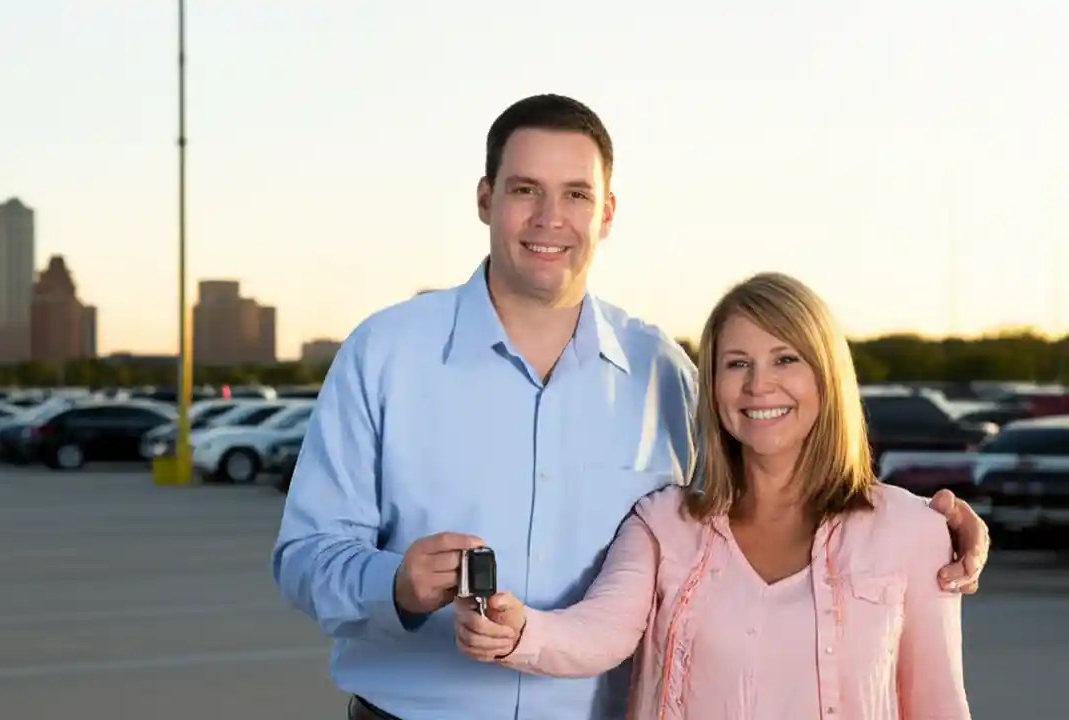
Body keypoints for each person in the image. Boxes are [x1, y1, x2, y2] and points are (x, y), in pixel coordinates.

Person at [272, 94, 988, 720]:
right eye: (526, 190)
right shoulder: (385, 355)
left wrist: (929, 531)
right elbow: (304, 557)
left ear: (607, 211)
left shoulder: (663, 374)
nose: (551, 218)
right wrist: (393, 583)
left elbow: (758, 502)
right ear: (485, 199)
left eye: (577, 194)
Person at [455, 272, 971, 719]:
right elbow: (599, 633)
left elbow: (937, 705)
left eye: (785, 359)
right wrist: (519, 631)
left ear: (827, 376)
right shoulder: (664, 524)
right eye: (737, 363)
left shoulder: (915, 531)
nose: (758, 385)